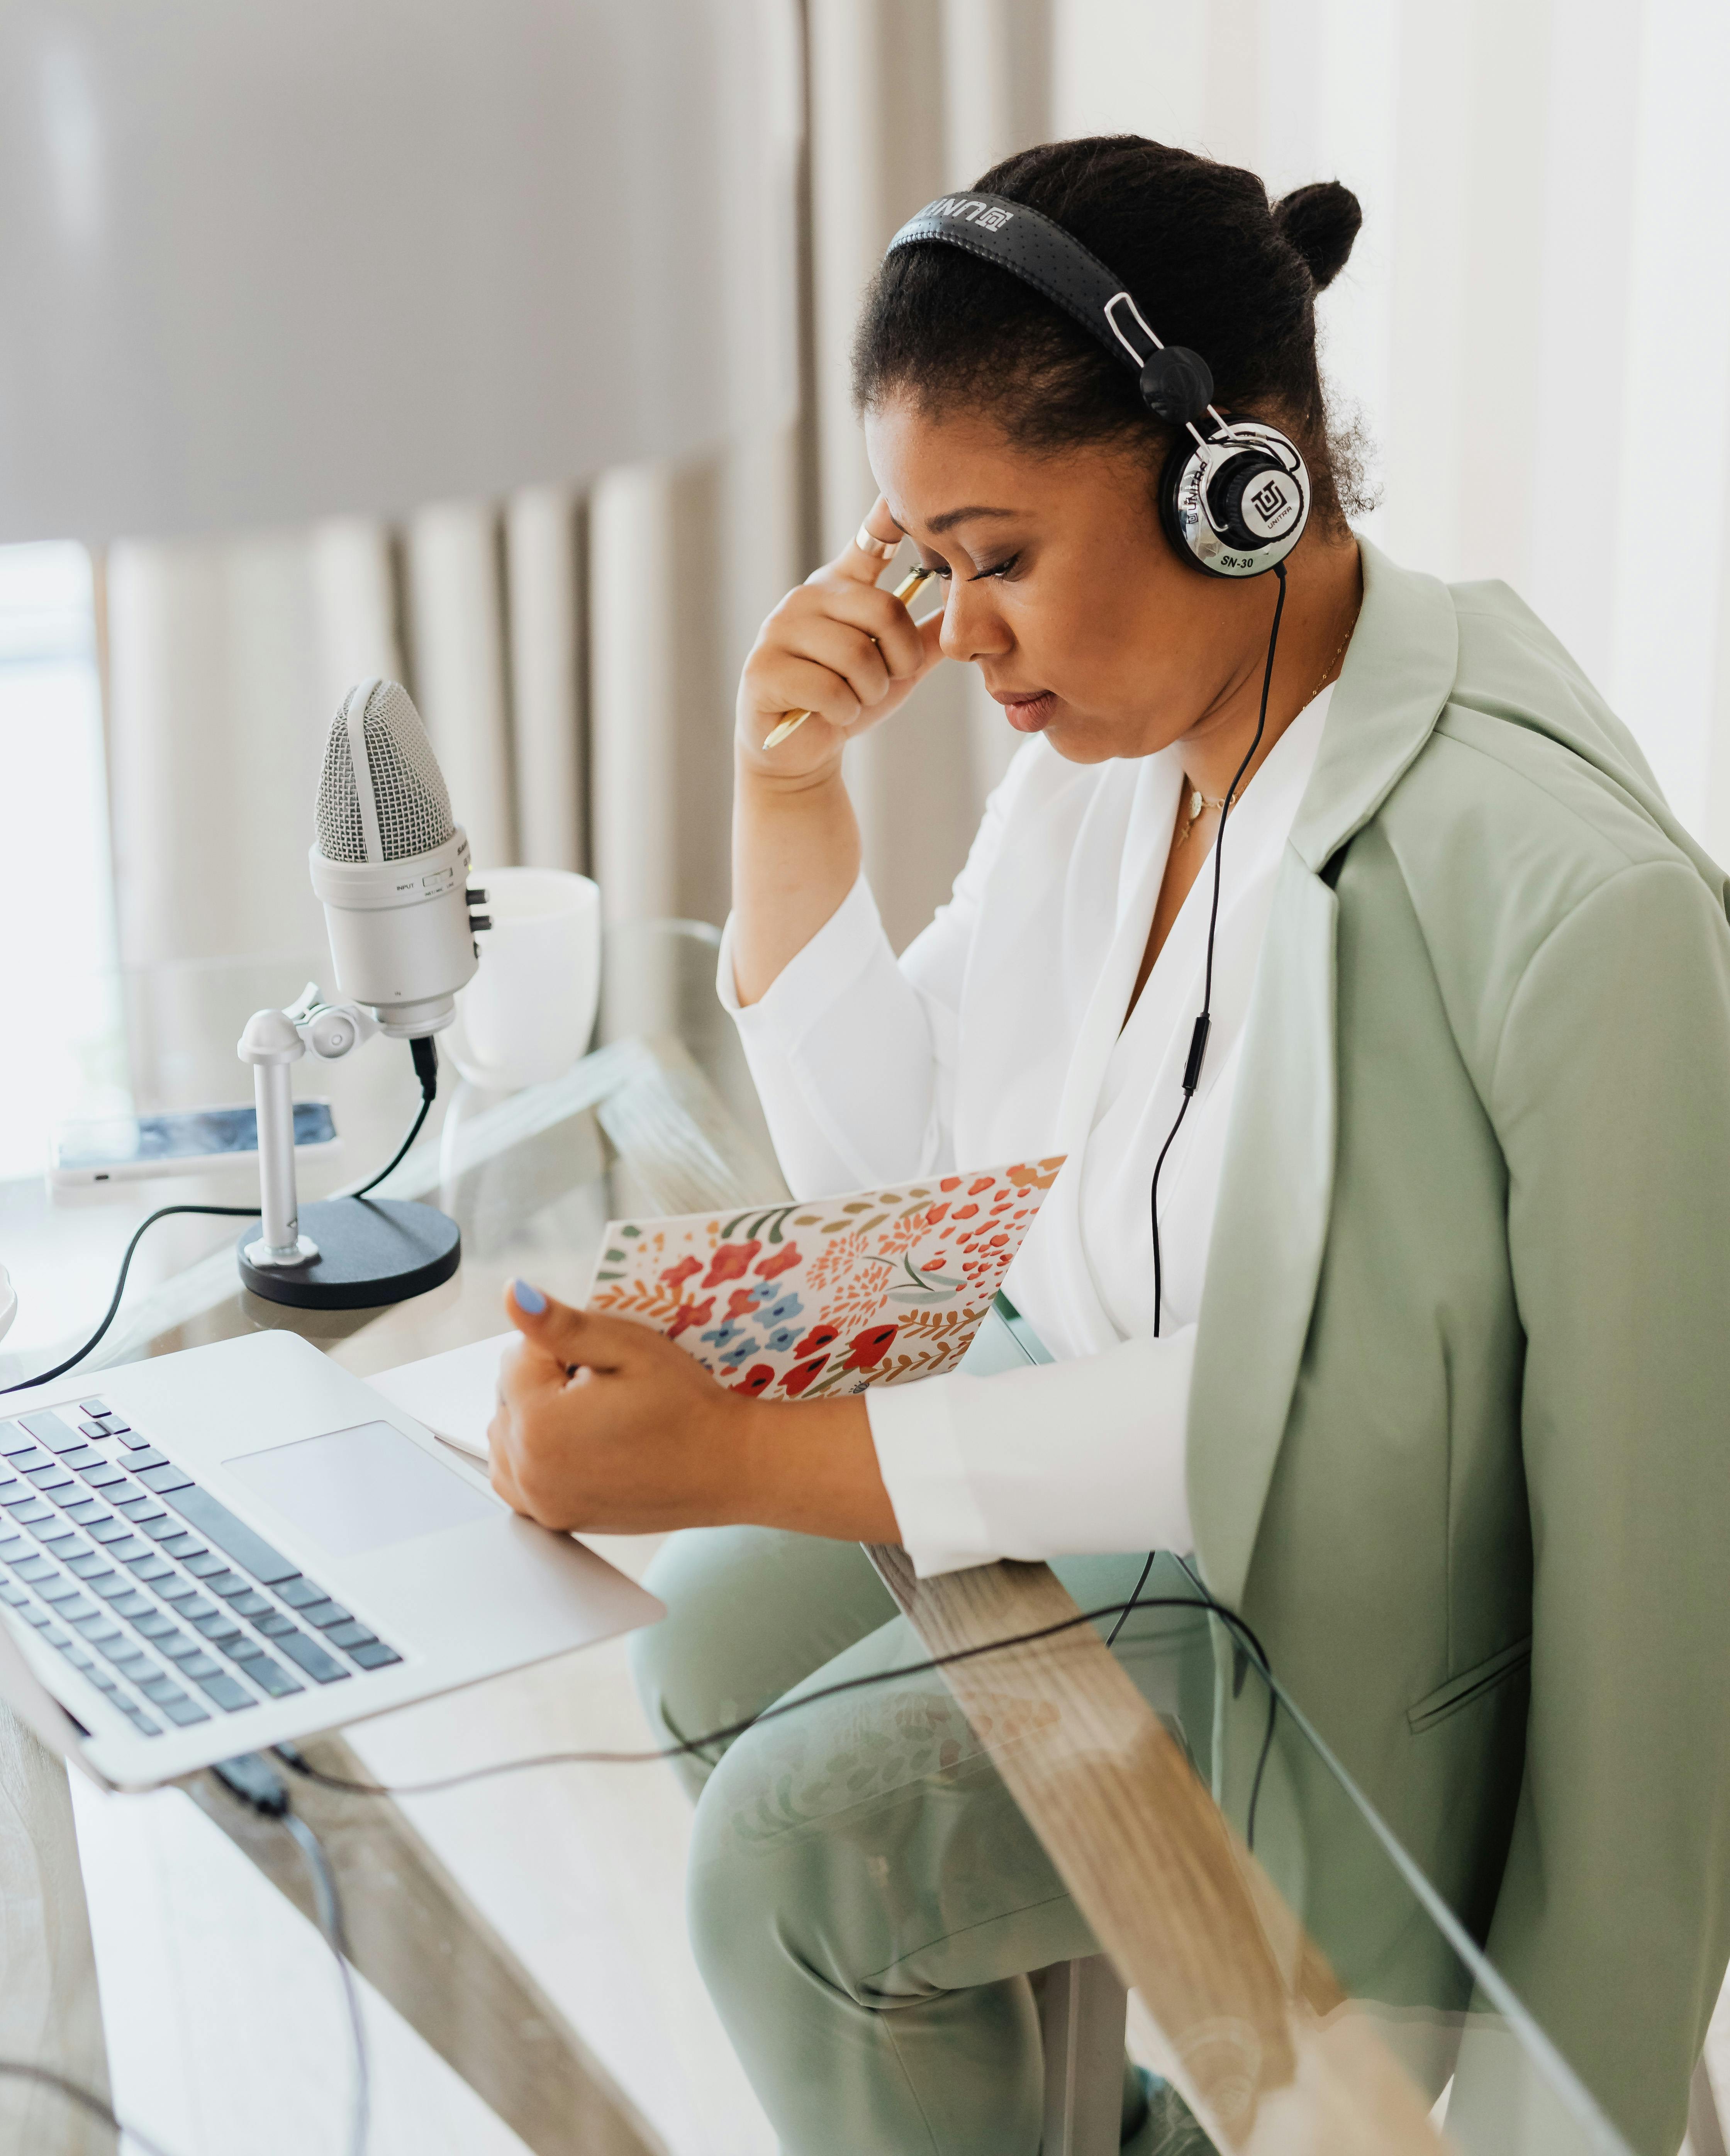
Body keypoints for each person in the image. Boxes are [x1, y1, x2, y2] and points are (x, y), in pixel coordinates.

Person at [488, 136, 1730, 2156]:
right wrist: (789, 798)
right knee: (700, 1655)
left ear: (1243, 485)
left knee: (787, 1868)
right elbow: (923, 1191)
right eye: (925, 562)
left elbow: (1370, 1450)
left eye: (996, 555)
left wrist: (745, 1449)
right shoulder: (1110, 759)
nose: (961, 638)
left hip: (1340, 1605)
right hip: (1088, 1437)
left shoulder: (1565, 903)